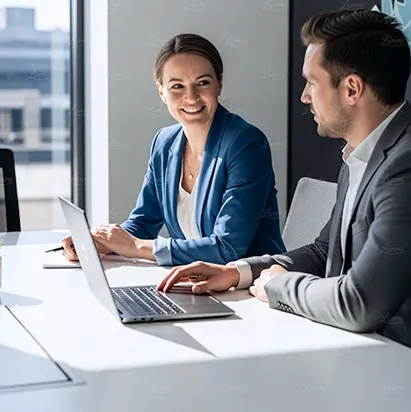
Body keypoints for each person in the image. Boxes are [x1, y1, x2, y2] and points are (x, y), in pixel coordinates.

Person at [158, 10, 411, 349]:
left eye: (312, 83)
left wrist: (278, 286)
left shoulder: (403, 167)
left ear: (352, 89)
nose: (305, 97)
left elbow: (360, 303)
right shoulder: (360, 153)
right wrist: (237, 272)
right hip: (353, 349)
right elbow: (325, 252)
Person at [62, 33, 285, 266]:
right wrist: (99, 242)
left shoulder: (246, 143)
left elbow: (228, 247)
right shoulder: (164, 142)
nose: (191, 97)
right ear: (161, 91)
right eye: (177, 86)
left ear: (219, 83)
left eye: (202, 82)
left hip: (250, 287)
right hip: (192, 283)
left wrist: (135, 247)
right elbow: (142, 224)